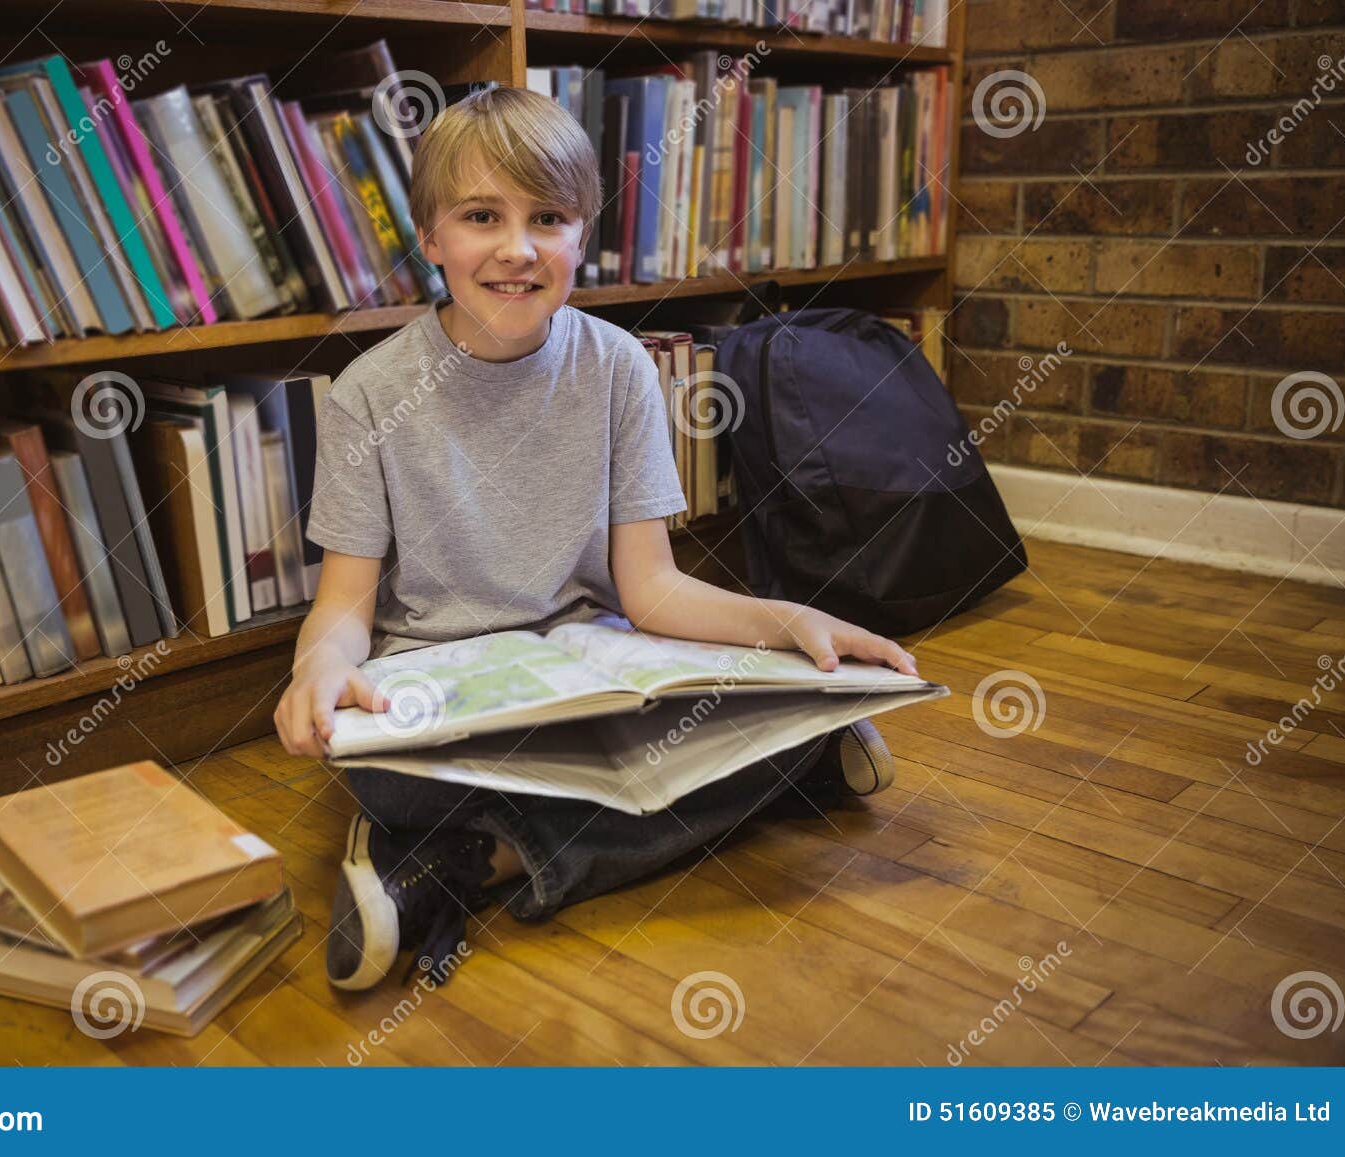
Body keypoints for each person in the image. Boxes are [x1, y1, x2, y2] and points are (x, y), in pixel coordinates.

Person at [273, 86, 920, 992]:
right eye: (480, 216)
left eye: (548, 217)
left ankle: (469, 864)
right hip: (443, 696)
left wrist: (785, 622)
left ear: (581, 236)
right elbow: (344, 609)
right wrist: (319, 668)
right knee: (388, 781)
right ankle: (781, 778)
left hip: (594, 679)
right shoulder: (369, 395)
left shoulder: (617, 365)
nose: (517, 248)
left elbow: (653, 590)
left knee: (745, 710)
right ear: (430, 239)